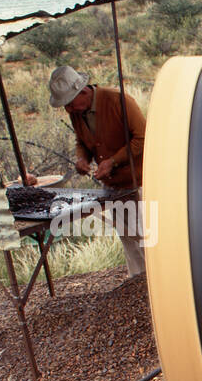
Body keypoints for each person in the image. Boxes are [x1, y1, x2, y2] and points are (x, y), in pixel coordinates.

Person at [39, 65, 147, 276]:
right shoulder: (76, 112)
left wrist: (113, 161)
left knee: (148, 238)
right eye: (65, 107)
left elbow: (143, 137)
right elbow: (82, 141)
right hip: (113, 186)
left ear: (84, 92)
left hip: (138, 181)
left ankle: (161, 287)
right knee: (129, 241)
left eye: (69, 104)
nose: (68, 110)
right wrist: (82, 158)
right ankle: (139, 284)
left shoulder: (117, 100)